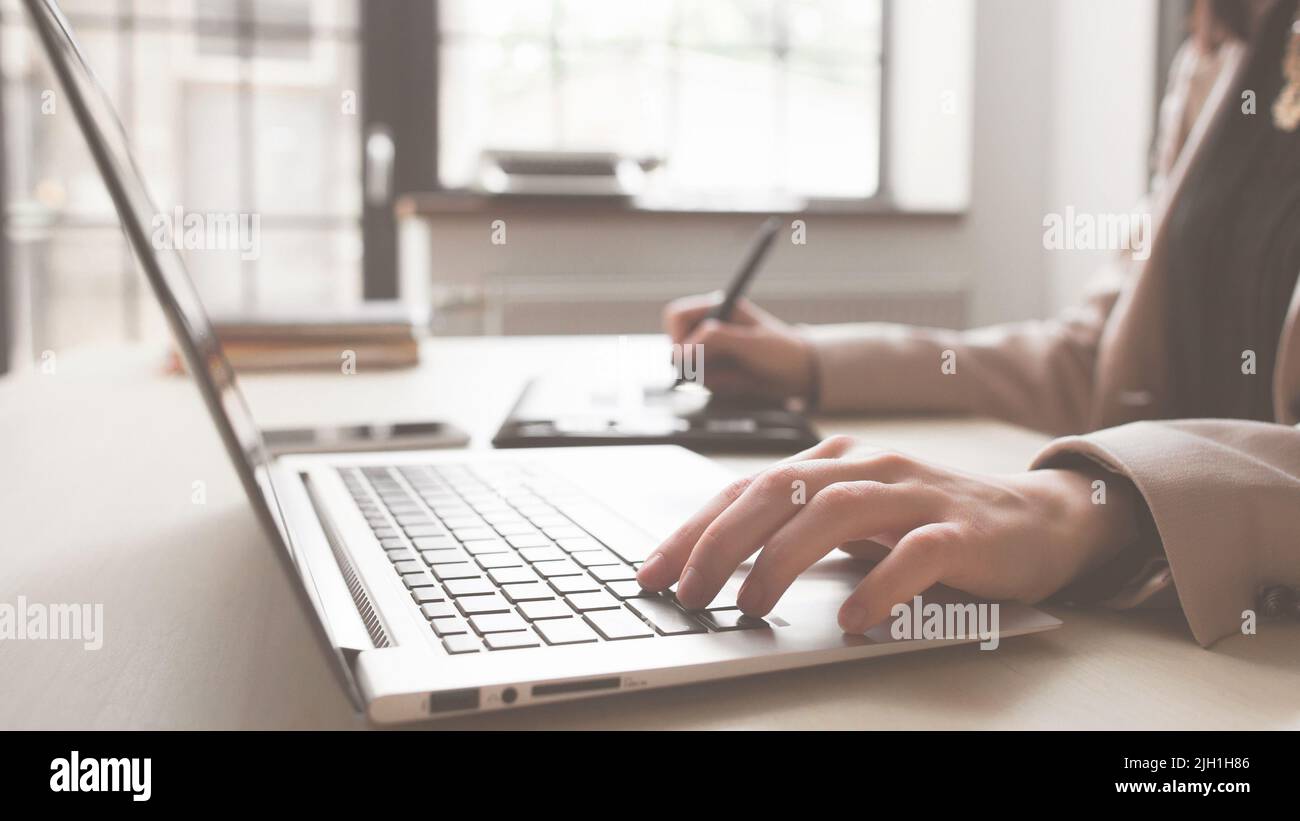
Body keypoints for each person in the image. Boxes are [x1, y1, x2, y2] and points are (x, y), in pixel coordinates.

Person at [637, 0, 1300, 647]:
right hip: (1159, 616)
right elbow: (1093, 360)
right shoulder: (1223, 53)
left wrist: (1086, 506)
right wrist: (811, 361)